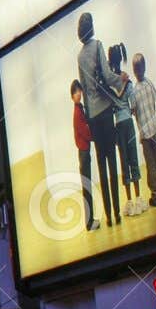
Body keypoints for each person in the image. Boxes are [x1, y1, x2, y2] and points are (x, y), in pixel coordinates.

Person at [76, 13, 123, 226]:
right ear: (91, 28)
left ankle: (107, 217)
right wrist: (120, 79)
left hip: (93, 116)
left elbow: (85, 89)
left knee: (102, 167)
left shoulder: (79, 57)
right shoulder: (97, 46)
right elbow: (107, 74)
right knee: (113, 161)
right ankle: (117, 214)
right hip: (105, 112)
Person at [109, 44, 143, 216]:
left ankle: (129, 202)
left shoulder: (109, 84)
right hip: (128, 124)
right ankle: (138, 199)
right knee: (133, 159)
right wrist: (130, 110)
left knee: (124, 162)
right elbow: (133, 102)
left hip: (118, 126)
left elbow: (109, 105)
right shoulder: (127, 81)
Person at [129, 53, 156, 207]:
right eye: (137, 68)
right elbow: (153, 106)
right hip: (152, 131)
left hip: (146, 133)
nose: (138, 71)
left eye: (138, 68)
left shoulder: (135, 91)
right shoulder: (148, 85)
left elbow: (134, 112)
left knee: (153, 165)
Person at [70, 81, 100, 230]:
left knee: (87, 186)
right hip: (83, 153)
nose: (78, 94)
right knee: (86, 187)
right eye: (75, 92)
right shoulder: (77, 112)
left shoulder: (80, 108)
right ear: (72, 96)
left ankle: (90, 221)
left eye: (79, 91)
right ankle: (89, 223)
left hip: (84, 151)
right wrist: (96, 136)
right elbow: (85, 132)